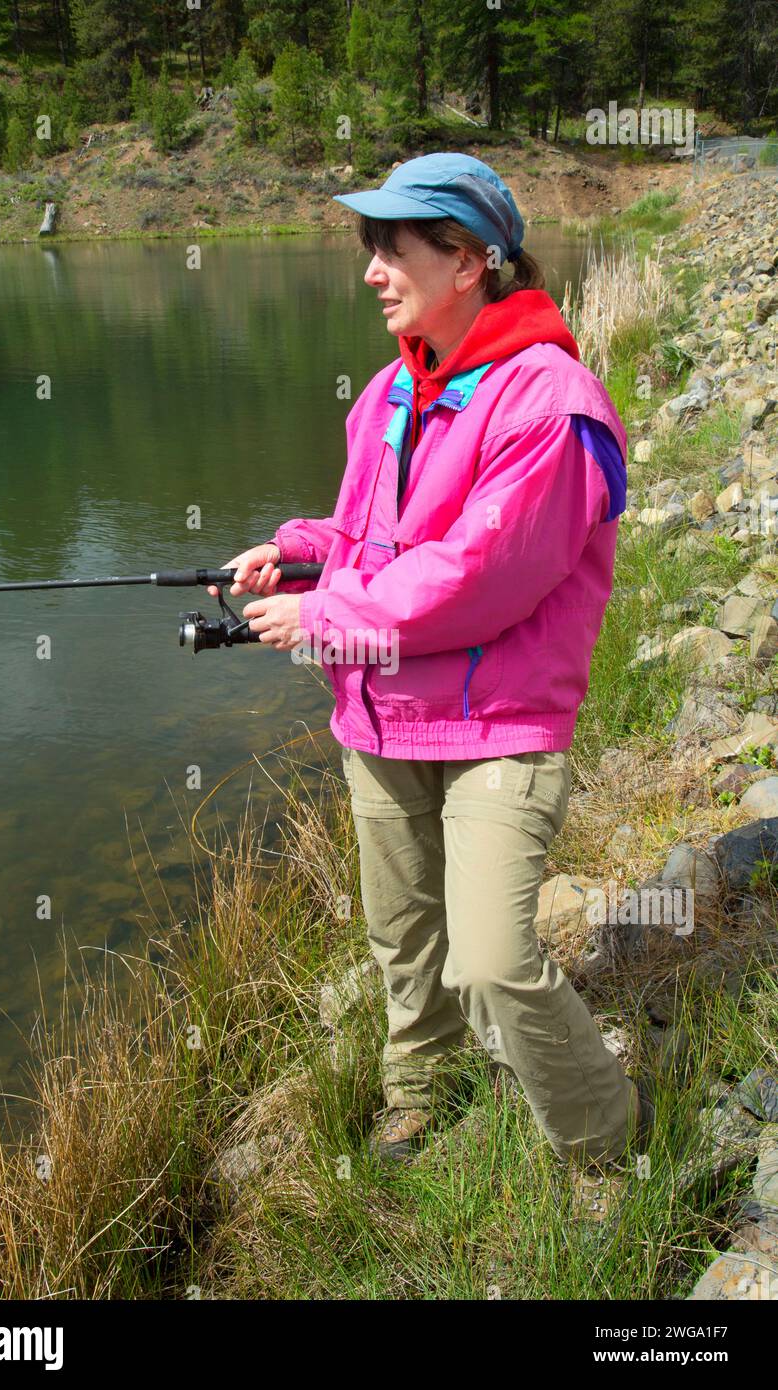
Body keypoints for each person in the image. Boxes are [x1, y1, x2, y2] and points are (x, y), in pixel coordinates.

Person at [208, 152, 652, 1223]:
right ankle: (422, 1086)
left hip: (498, 728)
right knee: (401, 938)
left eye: (390, 246)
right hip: (379, 714)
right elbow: (372, 536)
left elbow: (482, 575)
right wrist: (299, 552)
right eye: (369, 246)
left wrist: (325, 619)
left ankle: (607, 1142)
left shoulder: (550, 400)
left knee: (494, 958)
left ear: (467, 259)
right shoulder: (391, 388)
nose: (369, 269)